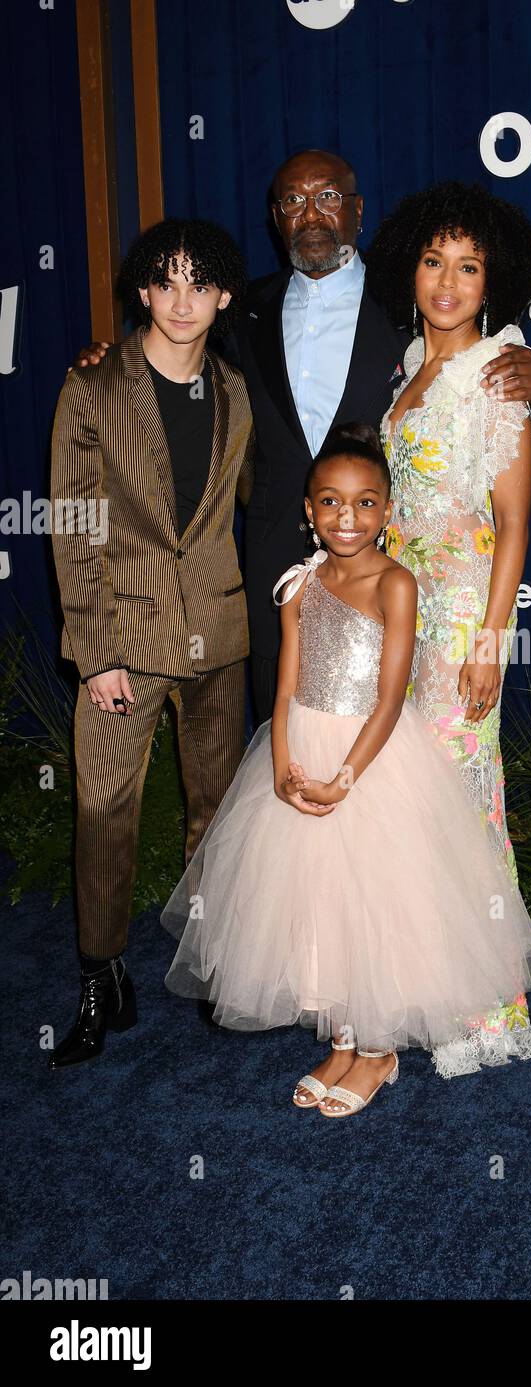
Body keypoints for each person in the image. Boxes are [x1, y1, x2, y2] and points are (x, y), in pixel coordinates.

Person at [76, 150, 531, 725]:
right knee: (293, 741)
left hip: (387, 575)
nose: (312, 214)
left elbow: (473, 369)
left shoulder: (409, 298)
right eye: (294, 201)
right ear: (276, 218)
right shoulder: (243, 308)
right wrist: (109, 360)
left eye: (328, 196)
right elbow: (180, 363)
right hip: (278, 558)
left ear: (357, 209)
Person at [160, 425, 531, 1112]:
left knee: (377, 899)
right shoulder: (300, 584)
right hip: (305, 743)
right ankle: (340, 1038)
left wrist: (344, 774)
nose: (348, 518)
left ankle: (377, 1049)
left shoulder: (396, 583)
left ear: (388, 512)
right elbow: (282, 685)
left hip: (370, 757)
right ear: (308, 511)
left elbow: (392, 697)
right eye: (331, 503)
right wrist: (282, 762)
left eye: (366, 503)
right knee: (318, 902)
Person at [48, 219, 253, 1067]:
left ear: (223, 297)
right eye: (164, 283)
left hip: (220, 633)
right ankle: (102, 975)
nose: (180, 301)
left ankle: (205, 960)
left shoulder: (236, 391)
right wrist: (96, 654)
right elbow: (73, 523)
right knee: (104, 814)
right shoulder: (94, 388)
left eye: (197, 284)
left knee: (216, 814)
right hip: (123, 645)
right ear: (142, 290)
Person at [368, 180, 531, 1074]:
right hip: (401, 611)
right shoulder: (409, 364)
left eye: (468, 266)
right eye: (434, 261)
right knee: (409, 804)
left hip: (462, 613)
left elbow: (512, 521)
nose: (447, 281)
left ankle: (483, 1012)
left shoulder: (498, 373)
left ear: (492, 282)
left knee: (465, 805)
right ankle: (419, 984)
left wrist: (490, 643)